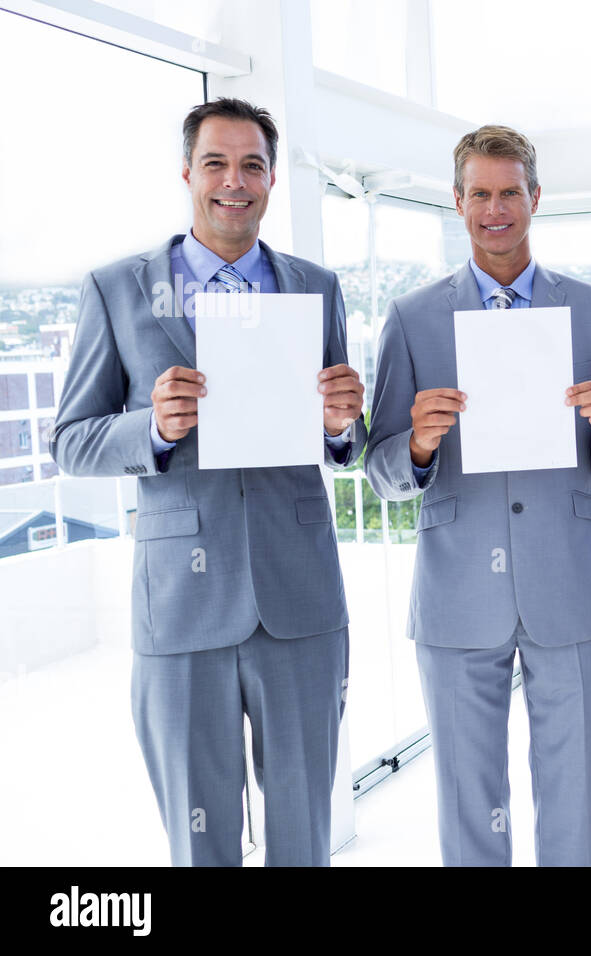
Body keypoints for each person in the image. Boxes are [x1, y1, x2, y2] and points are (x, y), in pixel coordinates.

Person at [52, 98, 366, 866]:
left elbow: (343, 444)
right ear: (188, 172)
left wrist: (340, 423)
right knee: (200, 842)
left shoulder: (316, 286)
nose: (235, 181)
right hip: (182, 603)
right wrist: (154, 429)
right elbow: (71, 443)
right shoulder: (116, 289)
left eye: (252, 165)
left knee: (305, 837)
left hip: (300, 598)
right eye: (217, 163)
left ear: (270, 179)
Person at [364, 125, 591, 867]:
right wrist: (418, 445)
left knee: (575, 799)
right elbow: (381, 471)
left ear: (535, 198)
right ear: (457, 202)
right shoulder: (412, 318)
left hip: (570, 580)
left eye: (510, 192)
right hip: (458, 588)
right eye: (480, 194)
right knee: (468, 802)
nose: (497, 209)